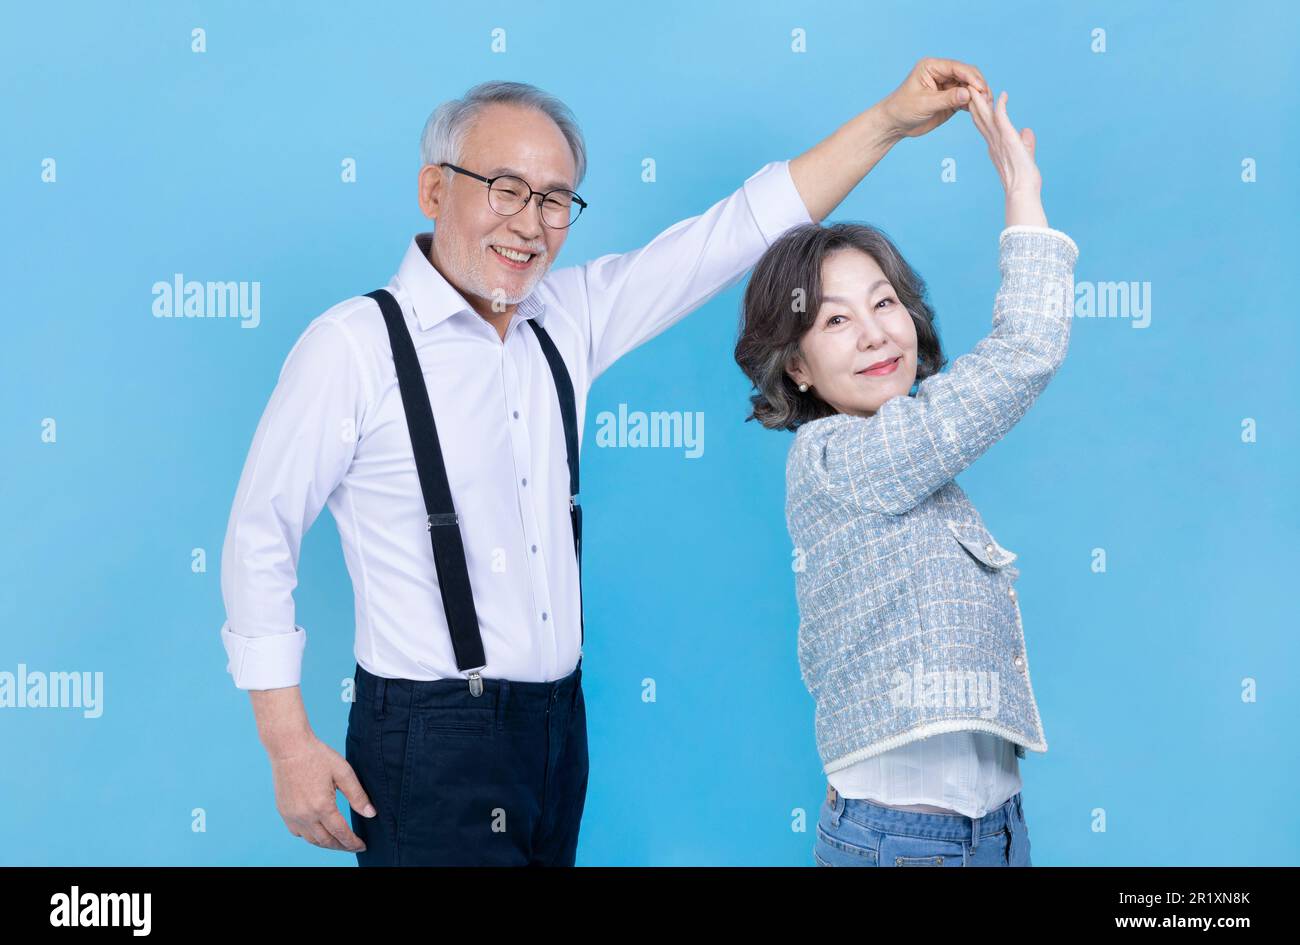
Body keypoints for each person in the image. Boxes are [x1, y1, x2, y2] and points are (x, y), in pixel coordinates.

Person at [219, 61, 990, 866]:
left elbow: (733, 232)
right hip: (425, 736)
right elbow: (258, 536)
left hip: (558, 727)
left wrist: (890, 123)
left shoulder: (566, 318)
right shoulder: (352, 346)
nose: (531, 222)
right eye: (505, 188)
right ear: (434, 191)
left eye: (555, 200)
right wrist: (285, 742)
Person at [734, 88, 1078, 866]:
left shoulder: (907, 462)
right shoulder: (834, 461)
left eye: (882, 302)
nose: (874, 332)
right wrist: (1023, 198)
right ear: (796, 366)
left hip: (994, 830)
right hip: (905, 843)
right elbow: (1023, 354)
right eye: (834, 320)